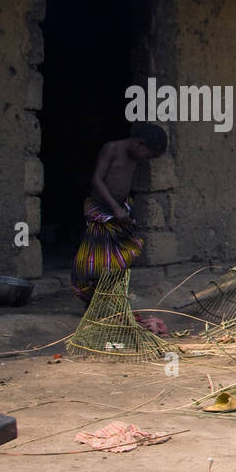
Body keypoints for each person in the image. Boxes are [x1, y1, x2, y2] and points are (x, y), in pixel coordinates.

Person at [72, 124, 168, 329]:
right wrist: (115, 208)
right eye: (147, 155)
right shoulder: (112, 149)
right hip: (101, 212)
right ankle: (90, 303)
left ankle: (106, 303)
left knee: (120, 257)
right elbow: (97, 180)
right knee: (91, 263)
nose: (145, 159)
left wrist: (123, 210)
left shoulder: (133, 158)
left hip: (118, 214)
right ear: (140, 144)